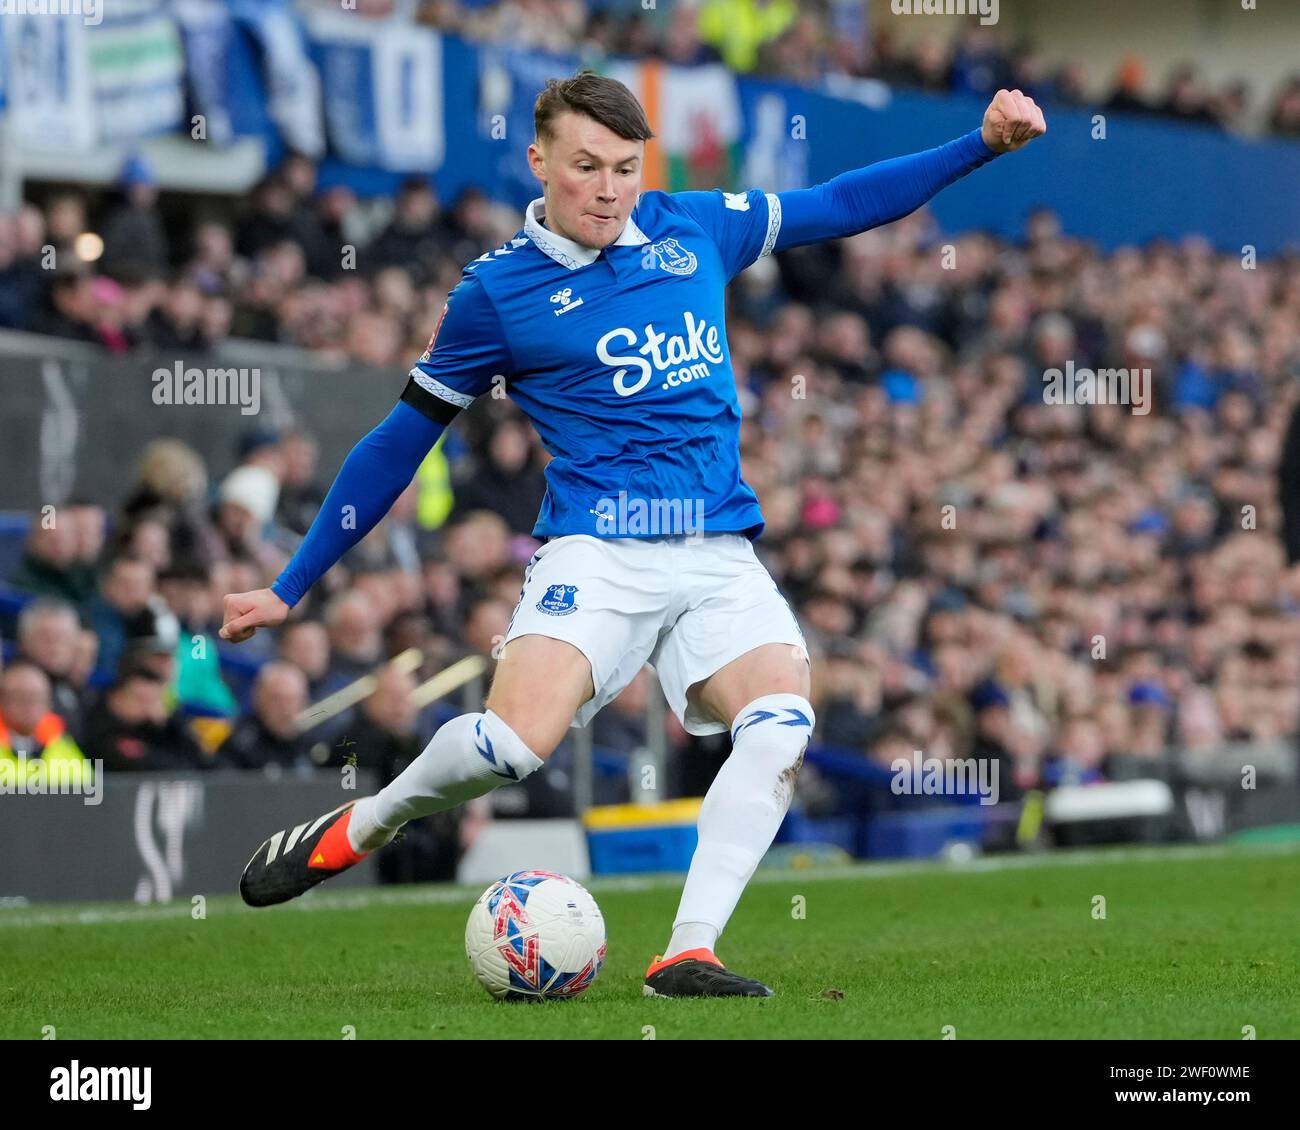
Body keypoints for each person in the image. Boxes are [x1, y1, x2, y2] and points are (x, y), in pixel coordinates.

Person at [221, 72, 1046, 998]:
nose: (610, 188)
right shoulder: (495, 295)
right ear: (539, 163)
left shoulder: (693, 226)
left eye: (625, 166)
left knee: (779, 725)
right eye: (586, 167)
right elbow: (396, 443)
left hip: (717, 549)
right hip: (598, 549)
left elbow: (843, 203)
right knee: (513, 746)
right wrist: (290, 585)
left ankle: (685, 952)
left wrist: (977, 144)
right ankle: (363, 825)